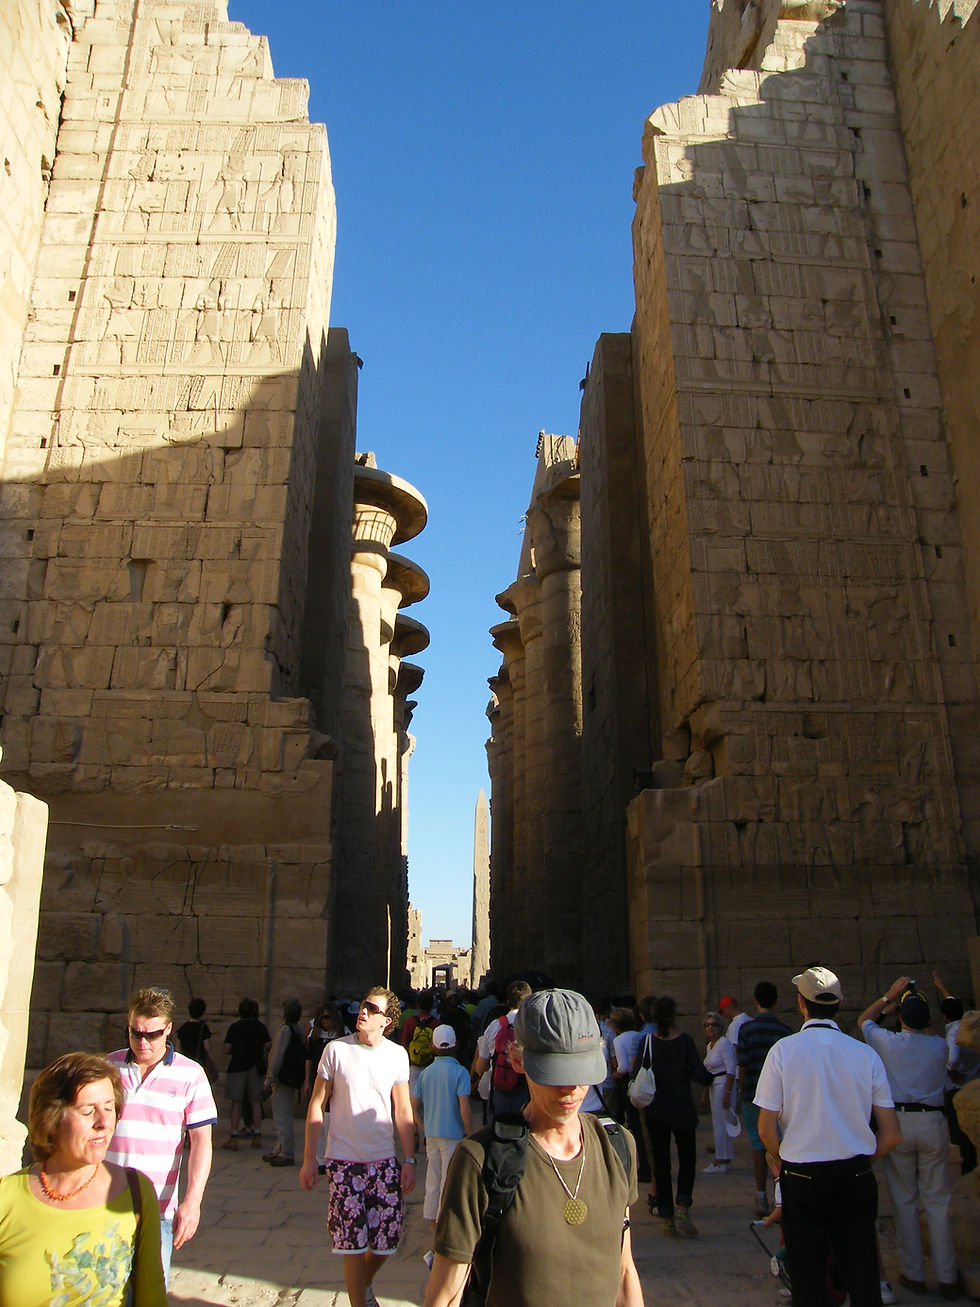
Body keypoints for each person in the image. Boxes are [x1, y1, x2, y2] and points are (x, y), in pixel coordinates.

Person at [424, 987, 645, 1307]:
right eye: (555, 1072)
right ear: (517, 1059)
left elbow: (624, 1270)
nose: (570, 1087)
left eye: (580, 1070)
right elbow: (446, 1295)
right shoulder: (479, 1161)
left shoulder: (618, 1147)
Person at [755, 966, 900, 1307]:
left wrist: (783, 1162)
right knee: (863, 1277)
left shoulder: (783, 1052)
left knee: (808, 1281)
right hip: (855, 1175)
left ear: (801, 1004)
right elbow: (891, 1134)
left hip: (803, 1177)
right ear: (840, 1002)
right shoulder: (865, 1054)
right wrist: (862, 1156)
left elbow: (765, 1128)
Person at [0, 1051, 168, 1307]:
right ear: (51, 1120)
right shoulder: (6, 1196)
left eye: (110, 1108)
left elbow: (152, 1296)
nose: (103, 1122)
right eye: (88, 1110)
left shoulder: (135, 1192)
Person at [299, 985, 416, 1307]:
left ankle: (361, 1286)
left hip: (383, 1161)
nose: (363, 1012)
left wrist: (410, 1159)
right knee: (351, 1245)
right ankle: (358, 1301)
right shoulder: (336, 1050)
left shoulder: (396, 1055)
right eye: (364, 1005)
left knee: (385, 1243)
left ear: (387, 1020)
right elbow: (316, 1105)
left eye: (373, 1009)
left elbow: (403, 1110)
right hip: (343, 1160)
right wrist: (311, 1158)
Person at [105, 985, 217, 1283]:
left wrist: (192, 1202)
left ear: (168, 1029)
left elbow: (202, 1142)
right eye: (135, 1033)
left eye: (151, 1035)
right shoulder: (107, 1067)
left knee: (151, 1293)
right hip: (104, 1202)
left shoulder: (190, 1074)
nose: (142, 1042)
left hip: (158, 1209)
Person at [858, 977, 959, 1299]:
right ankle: (946, 1276)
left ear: (900, 1017)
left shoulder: (888, 1042)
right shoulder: (939, 1045)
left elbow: (864, 1021)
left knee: (903, 1200)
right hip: (933, 1122)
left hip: (899, 1122)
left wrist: (888, 995)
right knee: (937, 1201)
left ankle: (914, 1273)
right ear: (928, 1020)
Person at [642, 995, 712, 1236]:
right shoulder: (684, 1042)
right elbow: (698, 1072)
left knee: (660, 1163)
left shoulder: (647, 1043)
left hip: (656, 1109)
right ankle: (683, 1204)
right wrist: (710, 1079)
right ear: (674, 1015)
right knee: (687, 1159)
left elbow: (636, 1073)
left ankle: (667, 1216)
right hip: (682, 1106)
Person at [411, 1023, 473, 1266]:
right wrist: (469, 1133)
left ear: (433, 1046)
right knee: (450, 1182)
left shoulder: (426, 1073)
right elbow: (464, 1106)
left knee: (433, 1181)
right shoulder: (460, 1072)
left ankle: (436, 1233)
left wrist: (423, 1126)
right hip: (454, 1136)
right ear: (455, 1045)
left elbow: (413, 1104)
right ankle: (447, 1238)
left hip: (433, 1135)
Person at [736, 980, 792, 1216]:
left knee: (759, 1146)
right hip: (781, 1098)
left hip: (754, 1095)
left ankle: (761, 1196)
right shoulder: (785, 1032)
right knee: (784, 1147)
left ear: (755, 1001)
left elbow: (743, 1065)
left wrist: (740, 1091)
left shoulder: (747, 1030)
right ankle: (783, 1196)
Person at [473, 979, 532, 1122]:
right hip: (526, 1090)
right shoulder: (533, 1026)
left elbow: (481, 1066)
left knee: (497, 1131)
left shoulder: (495, 1026)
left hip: (499, 1088)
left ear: (507, 1000)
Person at [221, 996, 271, 1150]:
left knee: (236, 1103)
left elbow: (226, 1048)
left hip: (237, 1067)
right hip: (255, 1068)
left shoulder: (235, 1027)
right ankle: (257, 1135)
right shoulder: (260, 1026)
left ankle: (234, 1136)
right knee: (256, 1102)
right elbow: (269, 1046)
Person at [263, 997, 307, 1167]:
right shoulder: (299, 1030)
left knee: (282, 1117)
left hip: (282, 1079)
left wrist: (270, 1077)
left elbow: (277, 1055)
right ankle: (279, 1148)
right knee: (284, 1114)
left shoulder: (285, 1030)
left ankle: (286, 1152)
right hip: (292, 1077)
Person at [700, 1011, 735, 1173]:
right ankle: (724, 1156)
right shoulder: (710, 1046)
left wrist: (727, 1092)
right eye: (707, 1025)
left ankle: (720, 1159)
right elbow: (709, 1071)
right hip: (714, 1085)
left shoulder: (724, 1044)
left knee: (722, 1123)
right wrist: (704, 1093)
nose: (710, 1028)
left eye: (713, 1024)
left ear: (720, 1027)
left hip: (723, 1085)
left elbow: (731, 1069)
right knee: (717, 1122)